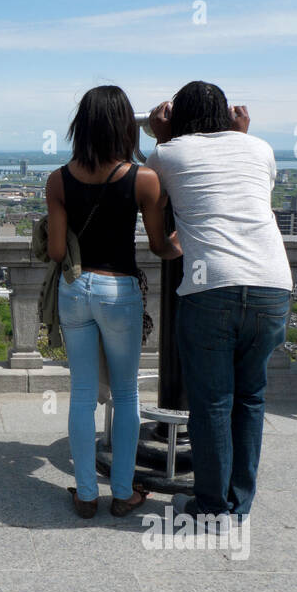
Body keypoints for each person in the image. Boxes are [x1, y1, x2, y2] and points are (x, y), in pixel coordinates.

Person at [147, 82, 292, 529]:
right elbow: (242, 195)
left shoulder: (167, 153)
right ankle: (239, 503)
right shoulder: (260, 149)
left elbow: (154, 190)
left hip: (212, 288)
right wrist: (243, 134)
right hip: (273, 283)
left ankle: (210, 506)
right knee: (250, 398)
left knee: (211, 402)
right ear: (229, 114)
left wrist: (160, 135)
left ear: (177, 116)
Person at [45, 86, 181, 519]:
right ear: (126, 125)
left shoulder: (58, 179)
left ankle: (86, 494)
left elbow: (55, 252)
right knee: (126, 395)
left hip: (76, 289)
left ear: (80, 125)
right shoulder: (143, 179)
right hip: (119, 289)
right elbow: (160, 246)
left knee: (82, 394)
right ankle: (123, 492)